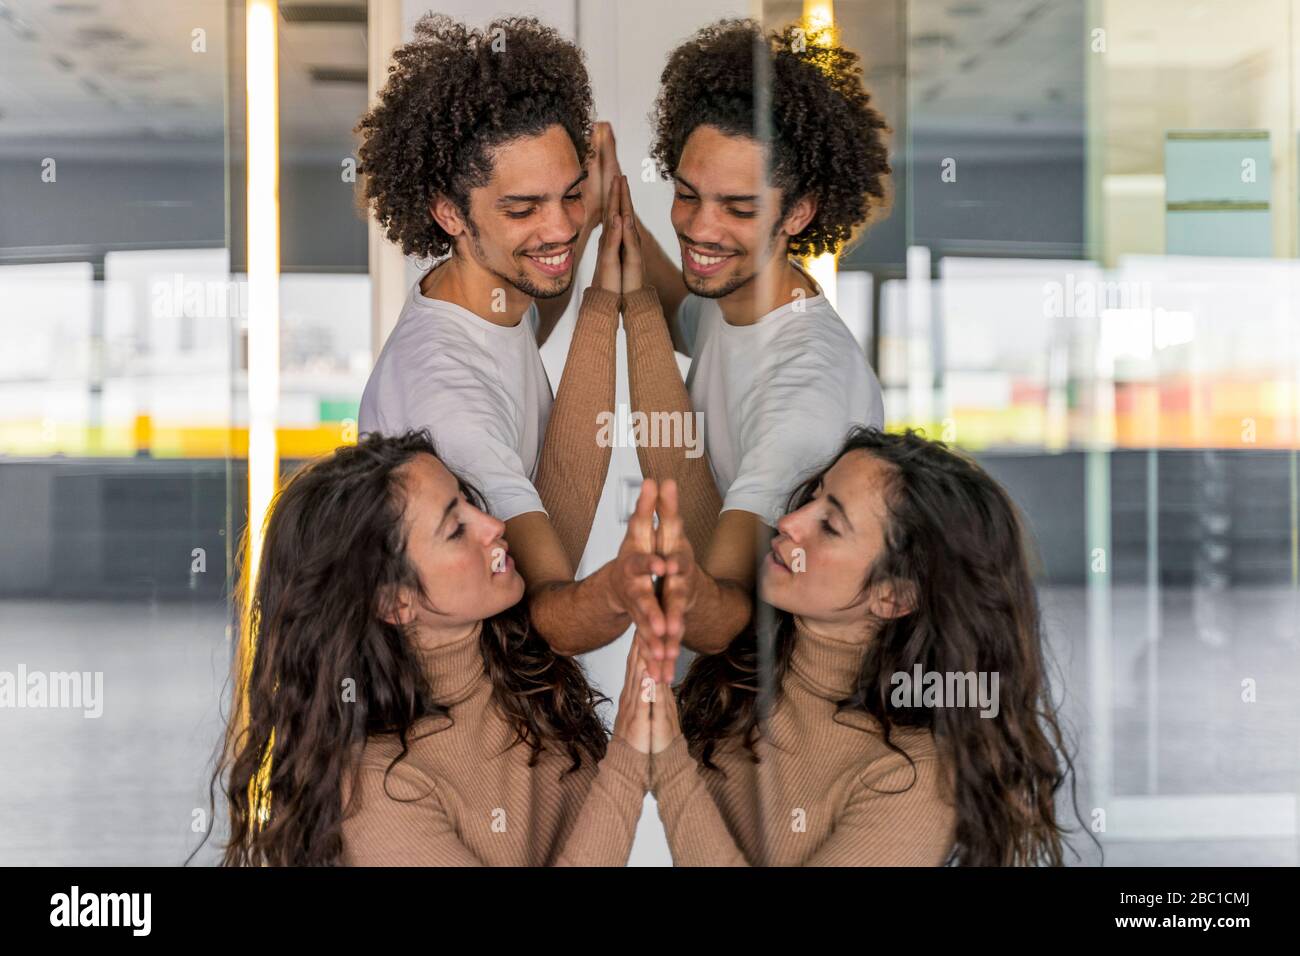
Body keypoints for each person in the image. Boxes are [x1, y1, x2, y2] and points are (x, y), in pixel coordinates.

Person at [204, 430, 667, 866]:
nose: (493, 524)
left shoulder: (516, 661)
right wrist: (627, 753)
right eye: (456, 528)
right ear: (395, 600)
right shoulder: (377, 793)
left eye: (468, 502)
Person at [354, 15, 663, 657]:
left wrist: (589, 210)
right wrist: (628, 586)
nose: (561, 229)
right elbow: (550, 617)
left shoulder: (478, 292)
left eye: (571, 196)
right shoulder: (450, 402)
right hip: (452, 712)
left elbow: (531, 301)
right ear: (449, 213)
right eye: (522, 209)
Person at [645, 427, 1085, 866]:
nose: (789, 522)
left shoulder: (913, 780)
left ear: (893, 597)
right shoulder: (737, 671)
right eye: (813, 496)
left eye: (830, 526)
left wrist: (667, 761)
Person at [603, 19, 894, 678]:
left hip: (780, 716)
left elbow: (726, 612)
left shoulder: (804, 392)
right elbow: (685, 306)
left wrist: (630, 583)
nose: (700, 227)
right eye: (686, 195)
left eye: (737, 208)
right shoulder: (736, 303)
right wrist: (607, 206)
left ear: (797, 214)